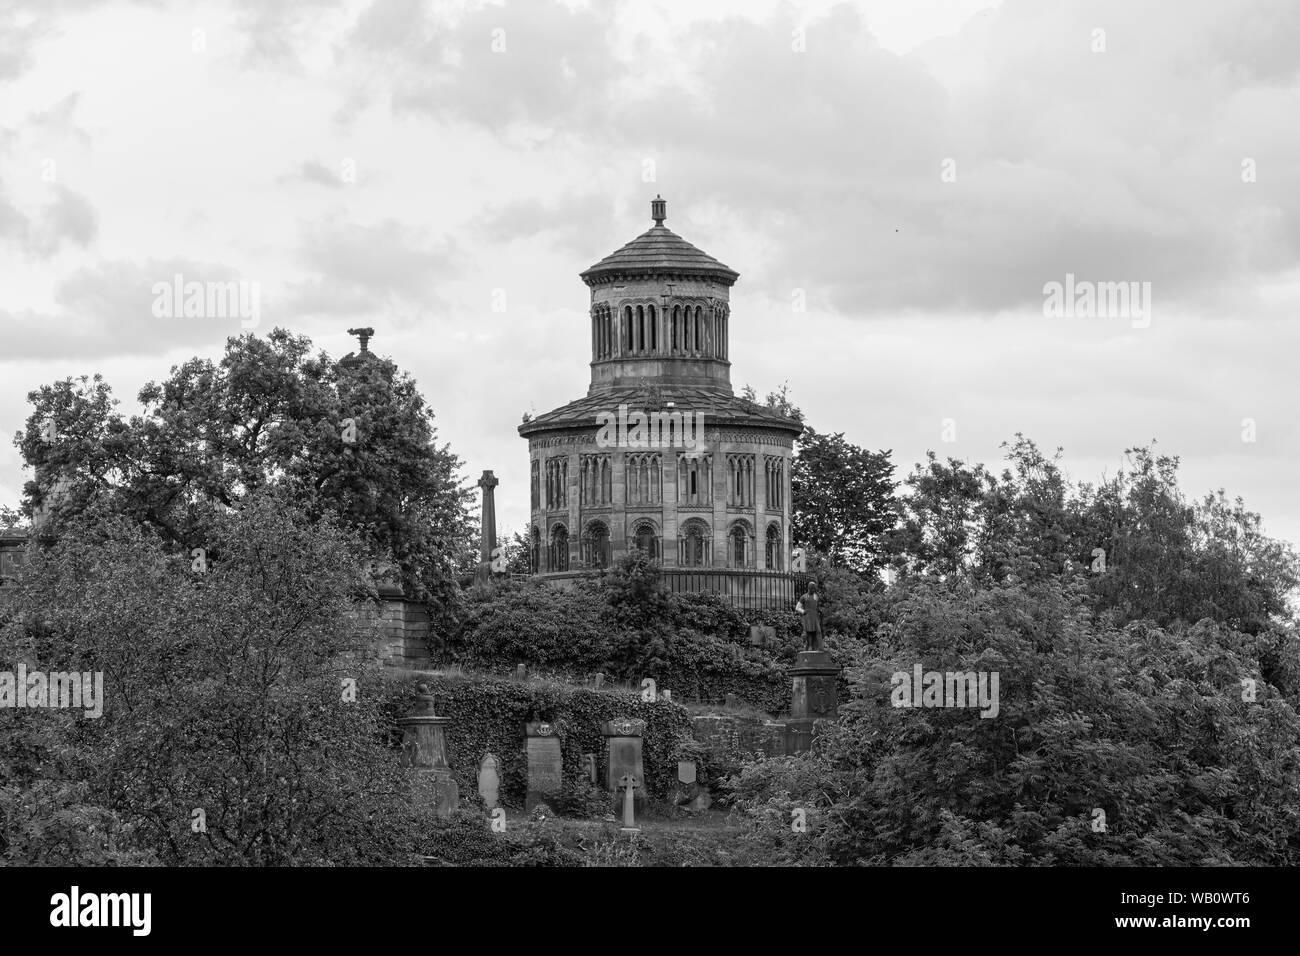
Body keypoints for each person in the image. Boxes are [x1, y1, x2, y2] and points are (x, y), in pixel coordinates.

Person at [797, 583, 823, 652]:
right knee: (809, 632)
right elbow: (797, 608)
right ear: (809, 588)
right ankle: (810, 647)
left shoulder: (816, 597)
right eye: (812, 589)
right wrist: (803, 611)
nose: (813, 590)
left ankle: (819, 647)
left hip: (815, 617)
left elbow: (817, 607)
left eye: (814, 589)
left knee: (818, 631)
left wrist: (819, 613)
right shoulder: (804, 597)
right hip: (807, 616)